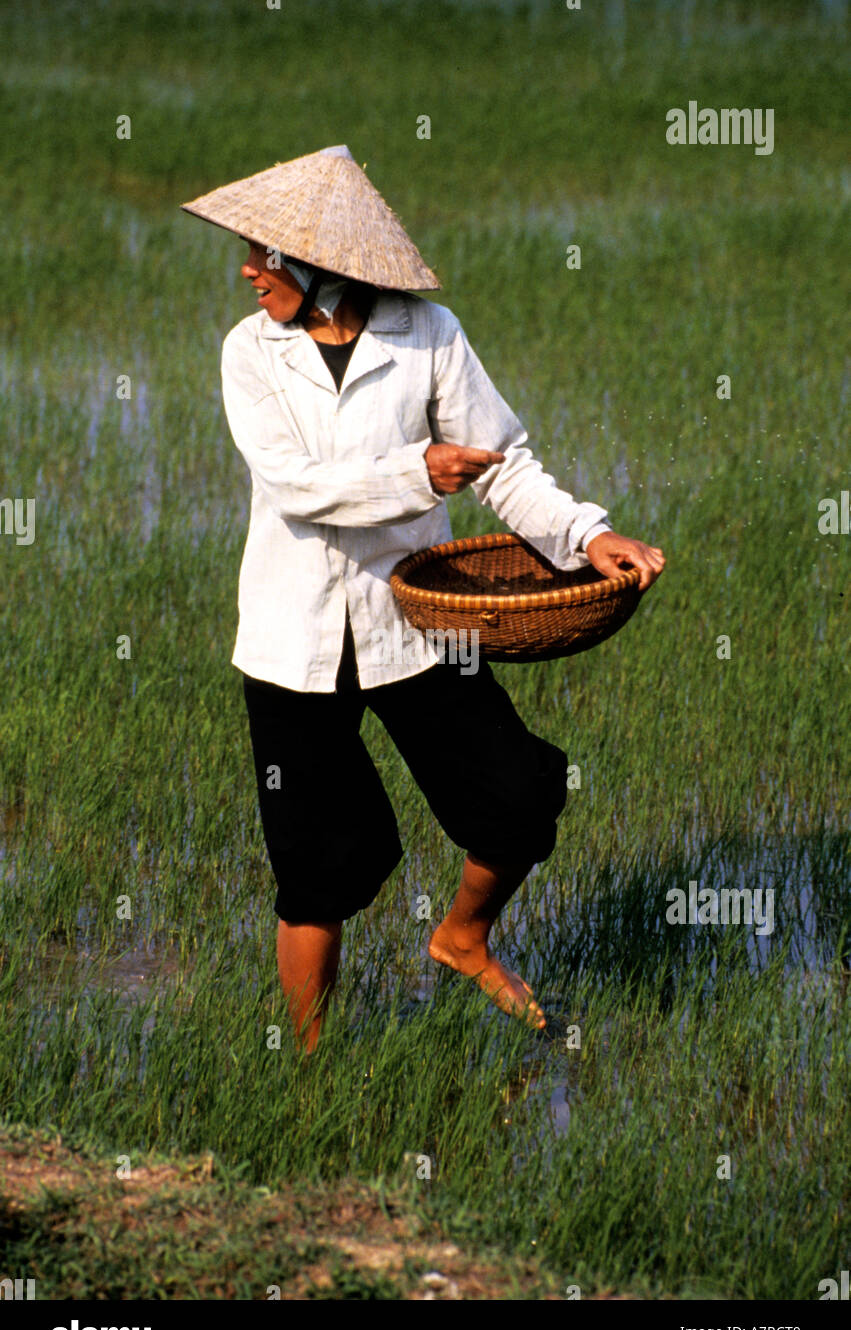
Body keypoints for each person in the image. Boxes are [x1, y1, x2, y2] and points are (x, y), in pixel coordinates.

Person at [182, 145, 665, 1052]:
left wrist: (588, 537)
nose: (249, 272)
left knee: (519, 794)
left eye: (266, 256)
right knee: (319, 863)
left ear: (325, 266)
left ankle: (462, 939)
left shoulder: (429, 333)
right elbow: (295, 486)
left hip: (418, 623)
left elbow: (502, 466)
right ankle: (309, 1068)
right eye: (248, 255)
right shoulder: (250, 354)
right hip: (295, 640)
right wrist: (417, 470)